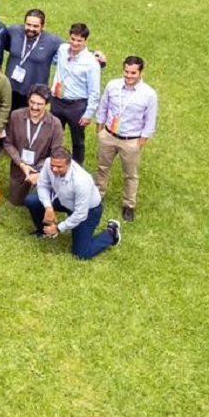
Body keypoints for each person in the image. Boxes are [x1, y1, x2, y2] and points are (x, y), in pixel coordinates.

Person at [94, 56, 158, 222]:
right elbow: (104, 106)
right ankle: (98, 196)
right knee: (102, 167)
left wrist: (141, 143)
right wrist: (100, 130)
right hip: (108, 135)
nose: (129, 76)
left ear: (141, 72)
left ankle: (129, 204)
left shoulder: (149, 94)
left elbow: (150, 121)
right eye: (126, 72)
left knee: (131, 174)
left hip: (131, 140)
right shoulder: (113, 85)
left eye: (133, 73)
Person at [27, 149, 122, 259]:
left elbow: (80, 214)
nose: (54, 169)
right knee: (31, 201)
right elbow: (42, 185)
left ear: (69, 164)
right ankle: (45, 231)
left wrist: (59, 228)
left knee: (81, 254)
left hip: (88, 210)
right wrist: (48, 208)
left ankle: (111, 234)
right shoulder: (49, 163)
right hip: (63, 199)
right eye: (53, 165)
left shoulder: (81, 181)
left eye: (59, 167)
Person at [2, 86, 65, 207]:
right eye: (32, 102)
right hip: (19, 166)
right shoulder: (16, 116)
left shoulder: (55, 124)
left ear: (47, 104)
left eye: (40, 104)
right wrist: (21, 163)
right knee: (17, 202)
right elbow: (7, 143)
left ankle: (45, 185)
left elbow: (56, 153)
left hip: (42, 167)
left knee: (38, 202)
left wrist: (38, 170)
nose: (35, 107)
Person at [51, 22, 101, 164]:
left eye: (79, 40)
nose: (75, 43)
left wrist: (88, 113)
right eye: (73, 39)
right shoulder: (62, 50)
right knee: (53, 135)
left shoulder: (91, 63)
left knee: (78, 140)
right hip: (57, 101)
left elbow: (94, 91)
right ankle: (53, 162)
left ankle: (78, 167)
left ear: (86, 41)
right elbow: (54, 60)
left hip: (77, 105)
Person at [1, 8, 62, 100]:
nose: (31, 29)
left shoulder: (52, 41)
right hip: (9, 89)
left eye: (35, 26)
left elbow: (73, 50)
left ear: (43, 26)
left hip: (35, 95)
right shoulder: (14, 32)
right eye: (28, 24)